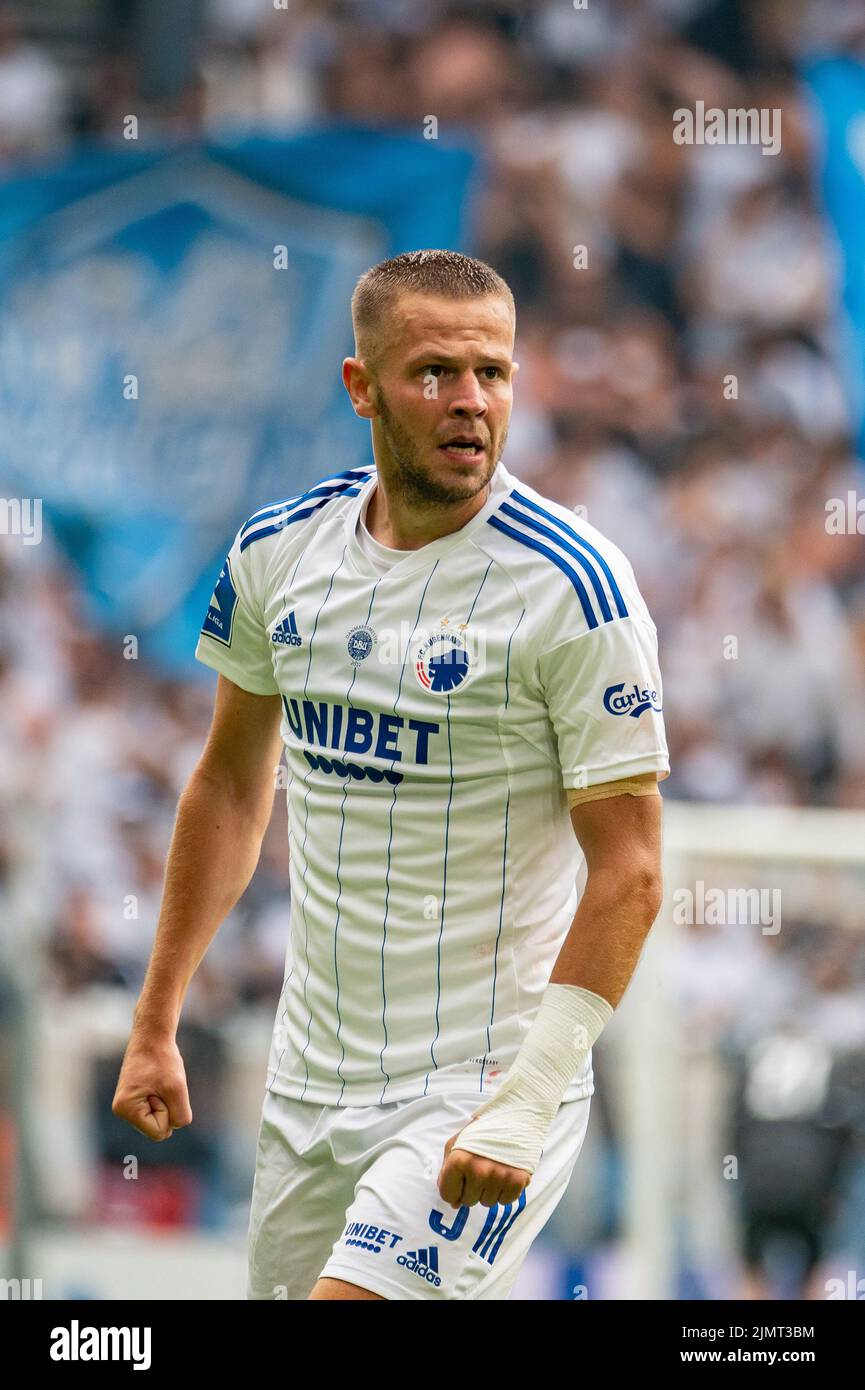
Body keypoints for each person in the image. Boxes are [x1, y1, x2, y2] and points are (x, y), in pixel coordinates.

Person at [113, 249, 669, 1301]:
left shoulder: (574, 589)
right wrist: (155, 1022)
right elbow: (232, 785)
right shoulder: (279, 552)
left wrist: (527, 1096)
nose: (471, 403)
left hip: (481, 1086)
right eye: (434, 374)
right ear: (360, 387)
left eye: (493, 374)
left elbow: (631, 869)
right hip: (306, 1086)